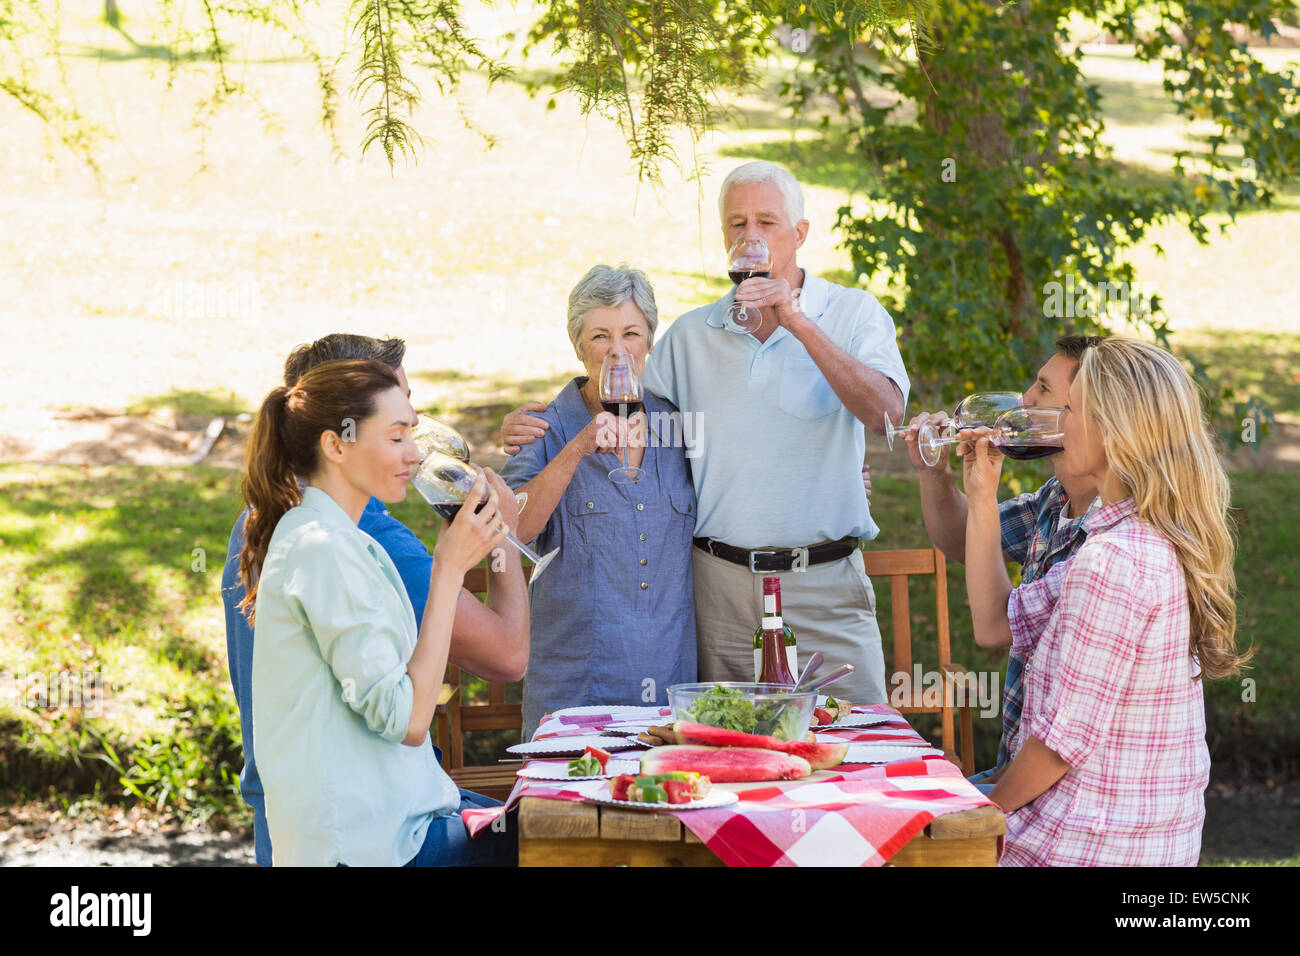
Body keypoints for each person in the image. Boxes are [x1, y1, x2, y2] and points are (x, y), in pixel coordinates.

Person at [503, 162, 909, 705]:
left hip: (825, 581)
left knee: (853, 753)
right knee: (730, 756)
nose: (751, 237)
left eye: (767, 221)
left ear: (801, 234)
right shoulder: (690, 336)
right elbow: (620, 383)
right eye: (737, 224)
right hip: (719, 594)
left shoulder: (853, 313)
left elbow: (886, 415)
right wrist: (541, 425)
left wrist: (796, 321)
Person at [221, 333, 528, 866]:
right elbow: (408, 719)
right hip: (370, 840)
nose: (415, 454)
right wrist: (452, 567)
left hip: (370, 816)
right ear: (336, 444)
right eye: (396, 435)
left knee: (544, 826)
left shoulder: (325, 533)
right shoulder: (323, 548)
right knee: (559, 844)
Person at [963, 338, 1248, 866]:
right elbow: (996, 620)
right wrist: (980, 491)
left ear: (1113, 430)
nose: (1051, 420)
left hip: (1084, 844)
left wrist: (978, 821)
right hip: (1122, 835)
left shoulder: (1111, 562)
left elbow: (1057, 748)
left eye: (1068, 409)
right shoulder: (1130, 536)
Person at [498, 265, 697, 740]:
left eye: (631, 332)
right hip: (575, 700)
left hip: (672, 699)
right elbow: (511, 531)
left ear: (650, 341)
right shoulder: (543, 428)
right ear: (578, 346)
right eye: (600, 336)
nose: (617, 350)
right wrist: (577, 449)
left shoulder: (679, 426)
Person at [899, 335, 1103, 790]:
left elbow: (992, 625)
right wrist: (937, 474)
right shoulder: (1055, 500)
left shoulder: (1111, 542)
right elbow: (964, 539)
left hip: (1069, 793)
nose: (1026, 398)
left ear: (1093, 418)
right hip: (1020, 770)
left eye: (1044, 390)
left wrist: (986, 813)